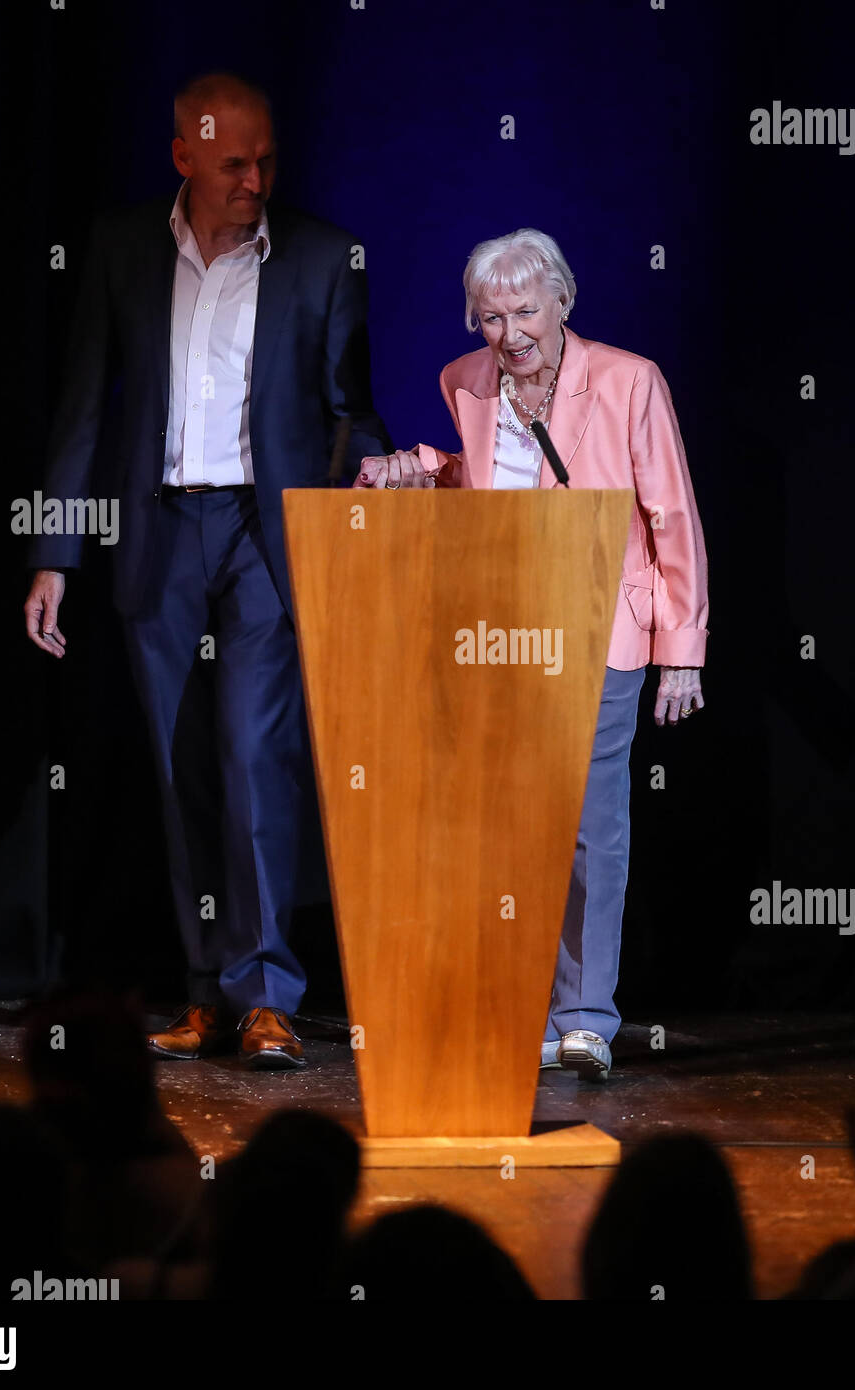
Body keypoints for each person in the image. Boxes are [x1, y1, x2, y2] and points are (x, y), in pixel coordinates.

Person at [24, 72, 393, 1069]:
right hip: (158, 533)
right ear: (184, 155)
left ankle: (269, 991)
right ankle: (207, 993)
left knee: (253, 758)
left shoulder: (320, 258)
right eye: (233, 163)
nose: (254, 179)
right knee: (180, 769)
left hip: (263, 540)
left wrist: (367, 492)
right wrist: (55, 552)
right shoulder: (122, 249)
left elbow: (350, 407)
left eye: (266, 160)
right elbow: (84, 411)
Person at [356, 228, 708, 1081]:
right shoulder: (463, 382)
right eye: (489, 317)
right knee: (505, 826)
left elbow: (670, 516)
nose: (508, 334)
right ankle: (524, 1005)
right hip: (500, 629)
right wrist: (421, 467)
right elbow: (486, 487)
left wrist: (681, 650)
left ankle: (585, 1016)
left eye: (523, 311)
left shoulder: (629, 381)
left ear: (561, 303)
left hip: (604, 626)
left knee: (590, 825)